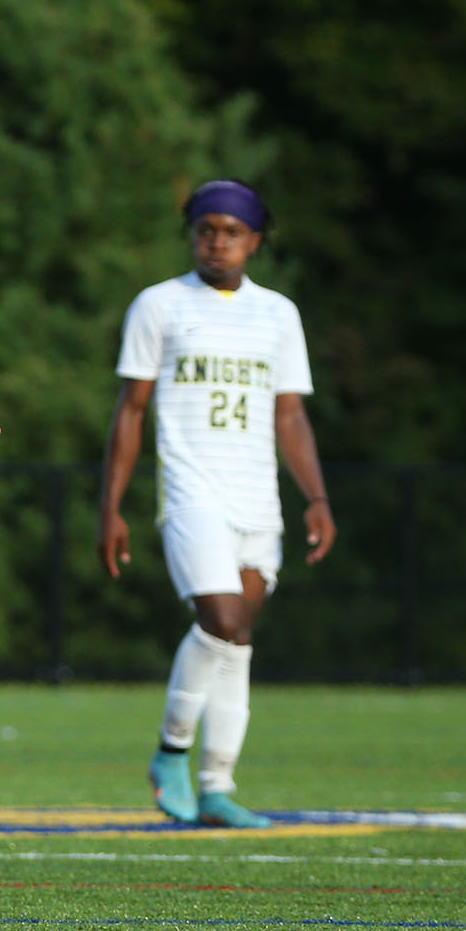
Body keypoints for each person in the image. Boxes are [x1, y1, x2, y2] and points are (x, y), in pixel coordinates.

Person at [96, 180, 337, 829]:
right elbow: (133, 409)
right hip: (192, 494)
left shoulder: (278, 314)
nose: (218, 241)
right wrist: (111, 507)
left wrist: (316, 497)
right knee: (222, 620)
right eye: (207, 229)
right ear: (193, 235)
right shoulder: (160, 305)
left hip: (258, 498)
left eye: (232, 231)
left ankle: (217, 785)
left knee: (238, 641)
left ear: (256, 240)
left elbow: (290, 415)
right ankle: (172, 753)